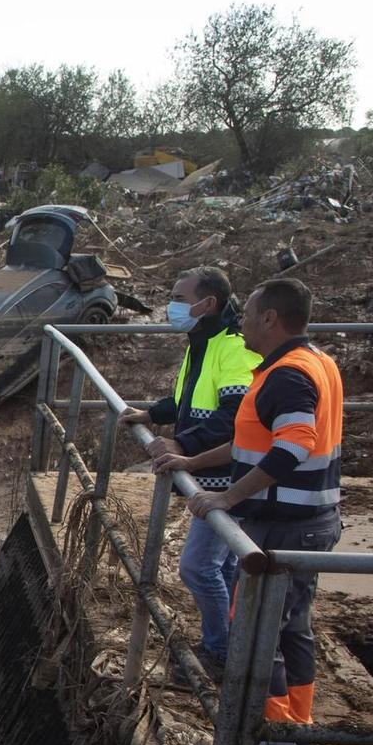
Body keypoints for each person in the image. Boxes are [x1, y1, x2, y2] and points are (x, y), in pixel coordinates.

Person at [154, 277, 343, 745]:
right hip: (309, 521)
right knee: (291, 632)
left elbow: (293, 447)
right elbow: (249, 440)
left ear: (270, 319)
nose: (241, 322)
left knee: (258, 635)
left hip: (286, 525)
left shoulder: (288, 375)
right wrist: (192, 459)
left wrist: (229, 496)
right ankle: (295, 739)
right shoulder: (316, 363)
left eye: (250, 312)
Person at [121, 267, 260, 681]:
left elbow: (236, 418)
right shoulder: (203, 341)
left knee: (198, 567)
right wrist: (153, 414)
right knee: (227, 567)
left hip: (228, 476)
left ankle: (221, 651)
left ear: (208, 303)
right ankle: (237, 638)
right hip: (215, 473)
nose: (172, 305)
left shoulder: (233, 347)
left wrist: (186, 445)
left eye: (179, 297)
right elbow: (188, 399)